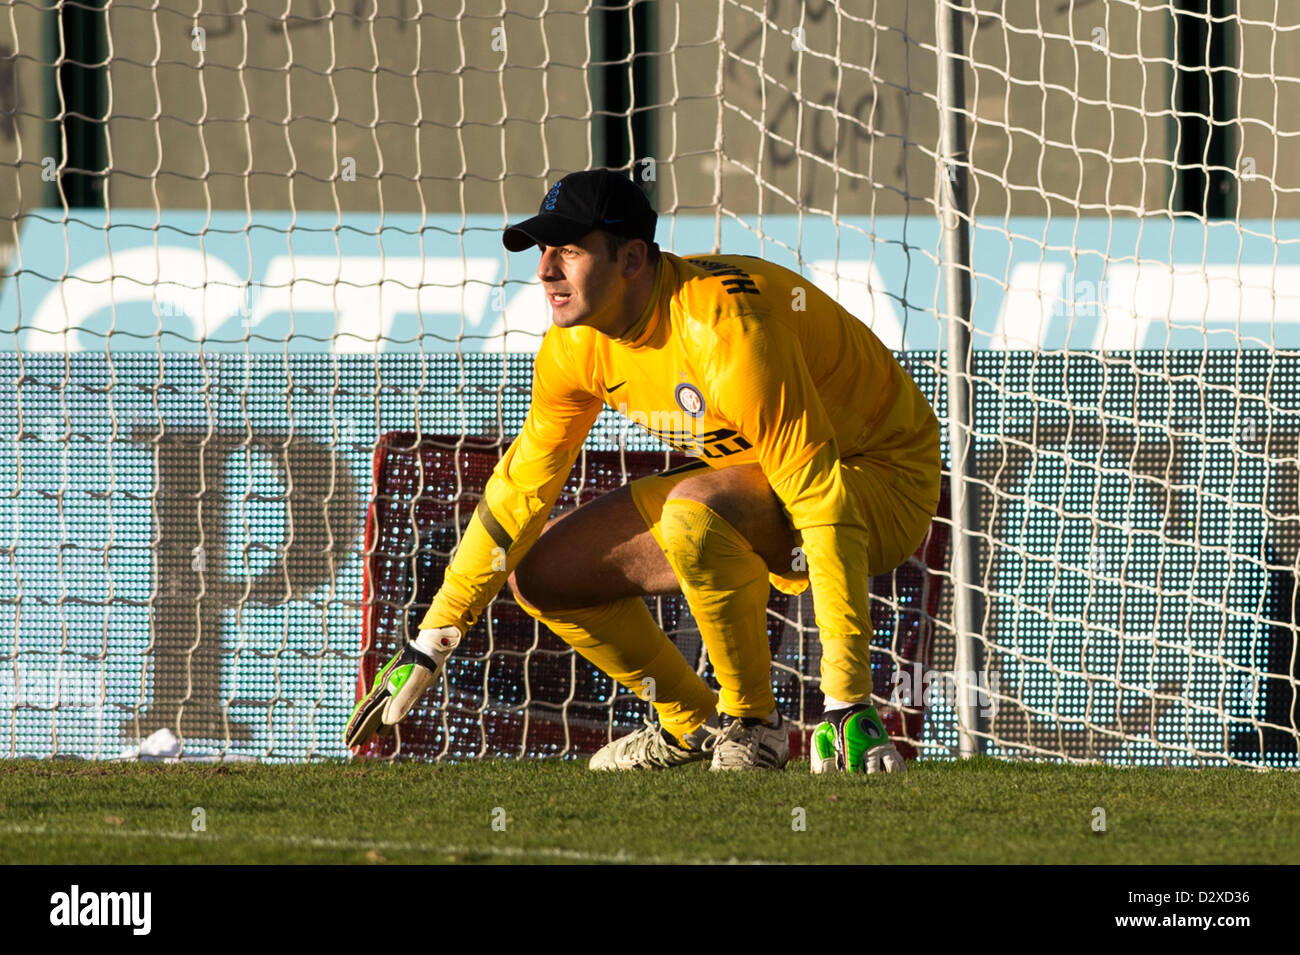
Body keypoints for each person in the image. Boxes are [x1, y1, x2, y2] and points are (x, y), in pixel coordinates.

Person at [345, 169, 941, 773]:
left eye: (570, 251)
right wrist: (432, 639)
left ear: (632, 259)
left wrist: (845, 701)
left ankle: (753, 727)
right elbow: (523, 485)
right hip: (763, 479)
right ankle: (694, 725)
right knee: (547, 576)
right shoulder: (574, 346)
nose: (547, 270)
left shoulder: (729, 332)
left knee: (695, 514)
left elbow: (820, 500)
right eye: (544, 251)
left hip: (880, 482)